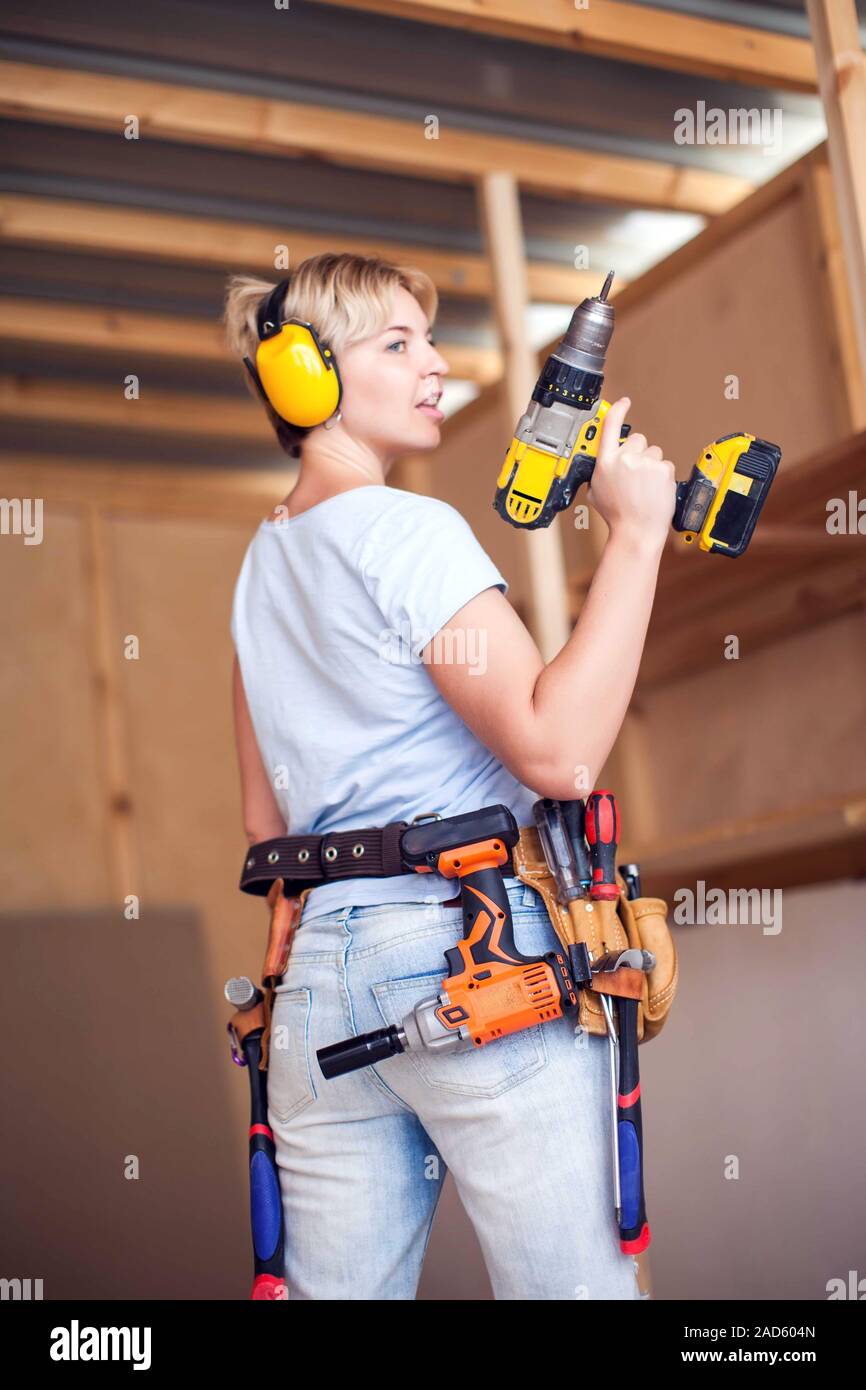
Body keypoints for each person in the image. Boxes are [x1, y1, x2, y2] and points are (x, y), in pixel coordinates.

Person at [223, 252, 676, 1300]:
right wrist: (638, 536)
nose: (434, 363)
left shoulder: (261, 566)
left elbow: (263, 820)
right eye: (396, 344)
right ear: (305, 380)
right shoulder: (405, 529)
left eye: (427, 338)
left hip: (315, 992)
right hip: (462, 953)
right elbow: (556, 750)